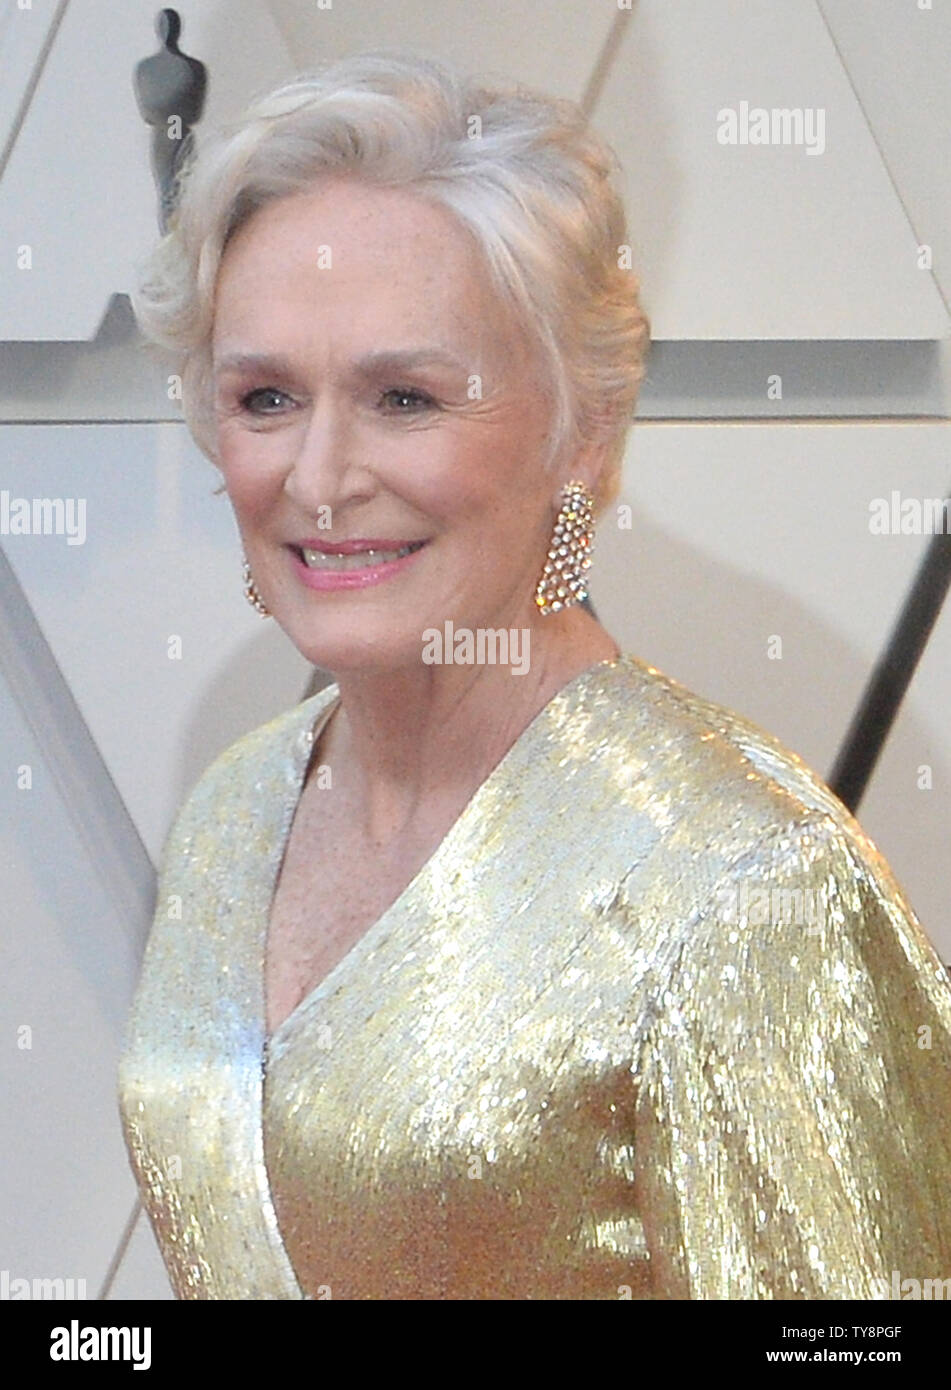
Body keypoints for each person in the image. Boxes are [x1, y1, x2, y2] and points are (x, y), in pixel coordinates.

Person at [118, 48, 951, 1300]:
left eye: (406, 396)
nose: (321, 475)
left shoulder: (741, 881)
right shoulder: (231, 814)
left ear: (581, 427)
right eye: (268, 396)